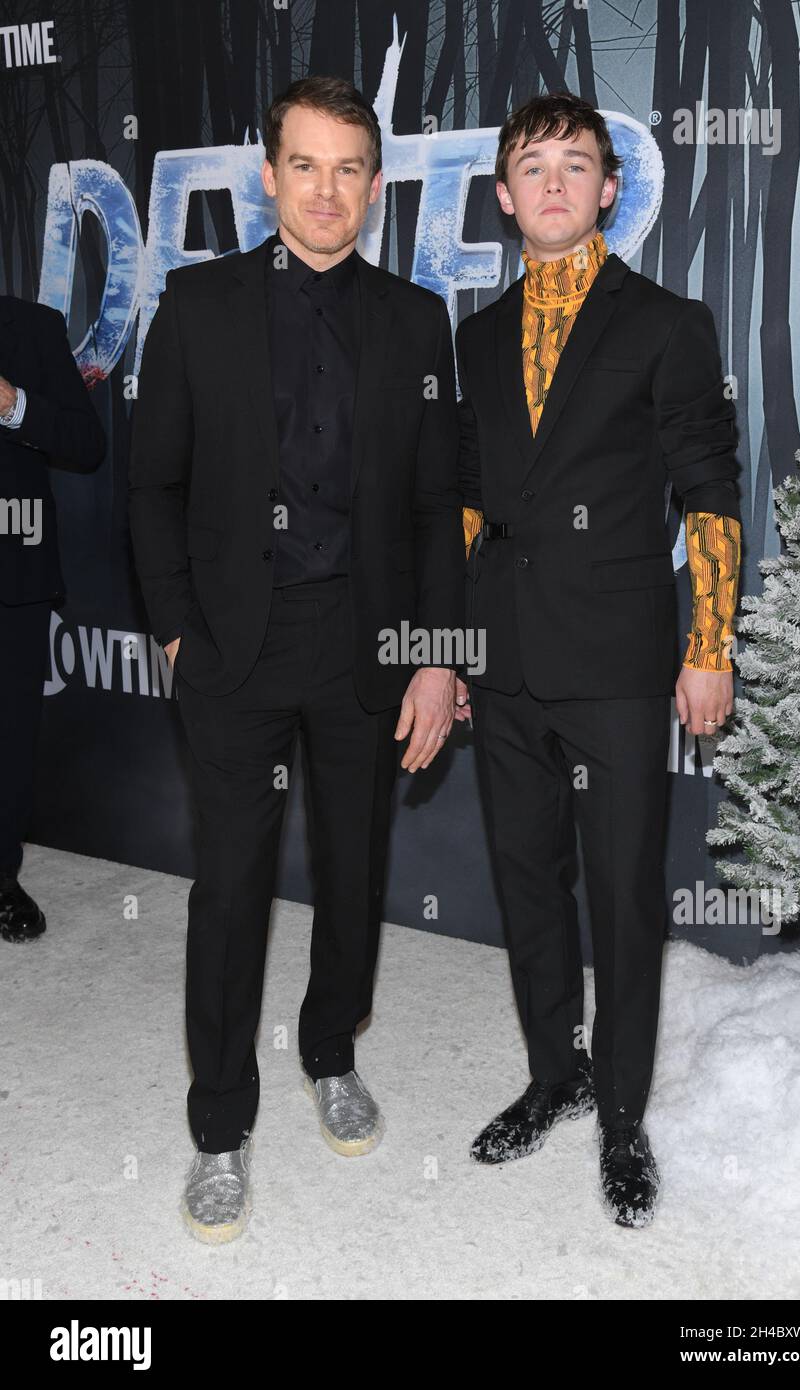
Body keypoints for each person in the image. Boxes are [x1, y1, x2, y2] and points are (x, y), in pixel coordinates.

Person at [128, 76, 465, 1244]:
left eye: (350, 169)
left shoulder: (418, 324)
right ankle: (219, 1123)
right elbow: (151, 483)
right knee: (228, 886)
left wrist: (432, 657)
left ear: (375, 186)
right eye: (306, 166)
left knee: (355, 866)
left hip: (365, 644)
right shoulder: (196, 304)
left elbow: (436, 510)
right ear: (267, 175)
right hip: (231, 645)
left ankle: (332, 1050)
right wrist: (177, 630)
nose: (327, 192)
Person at [454, 93, 742, 1227]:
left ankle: (622, 1116)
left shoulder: (668, 324)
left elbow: (709, 493)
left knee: (623, 897)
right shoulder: (473, 338)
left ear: (610, 187)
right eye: (534, 167)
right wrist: (448, 649)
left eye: (577, 165)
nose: (556, 184)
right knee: (527, 881)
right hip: (505, 658)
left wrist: (708, 643)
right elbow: (466, 504)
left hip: (622, 662)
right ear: (506, 196)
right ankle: (552, 1073)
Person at [0, 296, 105, 943]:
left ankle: (1, 877)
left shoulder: (29, 326)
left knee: (9, 735)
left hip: (11, 571)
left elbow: (86, 443)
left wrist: (14, 405)